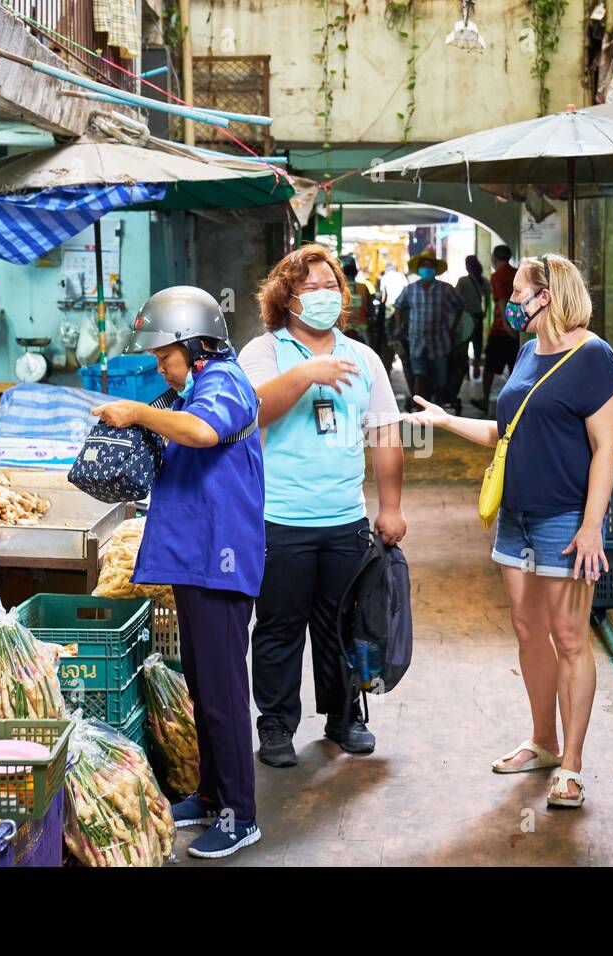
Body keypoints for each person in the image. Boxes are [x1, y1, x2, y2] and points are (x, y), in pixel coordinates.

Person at [408, 253, 613, 809]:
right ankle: (544, 742)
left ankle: (572, 765)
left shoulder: (594, 357)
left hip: (565, 519)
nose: (510, 302)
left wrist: (592, 527)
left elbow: (607, 450)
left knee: (571, 638)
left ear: (546, 296)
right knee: (530, 634)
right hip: (515, 517)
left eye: (519, 293)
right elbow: (504, 432)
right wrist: (444, 420)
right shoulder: (530, 352)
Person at [91, 286, 265, 860]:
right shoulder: (194, 386)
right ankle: (213, 794)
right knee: (201, 683)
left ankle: (241, 814)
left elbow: (204, 432)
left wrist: (139, 413)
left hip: (221, 560)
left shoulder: (225, 382)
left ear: (194, 344)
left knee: (223, 691)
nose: (160, 367)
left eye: (165, 356)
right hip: (196, 559)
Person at [240, 244, 407, 768]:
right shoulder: (263, 352)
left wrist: (391, 507)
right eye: (309, 287)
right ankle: (275, 725)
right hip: (280, 519)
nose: (323, 295)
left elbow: (384, 432)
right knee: (278, 626)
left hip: (345, 520)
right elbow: (253, 412)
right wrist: (306, 374)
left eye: (330, 285)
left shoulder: (364, 357)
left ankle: (344, 718)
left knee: (343, 625)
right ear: (286, 298)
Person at [392, 247, 461, 412]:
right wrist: (399, 326)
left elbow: (459, 307)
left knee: (440, 381)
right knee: (419, 376)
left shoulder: (446, 289)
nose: (427, 269)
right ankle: (420, 411)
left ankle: (437, 410)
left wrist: (453, 328)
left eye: (430, 266)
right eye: (424, 266)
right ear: (419, 269)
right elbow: (398, 306)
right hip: (417, 341)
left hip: (440, 341)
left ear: (435, 270)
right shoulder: (410, 289)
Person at [474, 244, 519, 414]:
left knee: (490, 368)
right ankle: (518, 403)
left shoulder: (496, 276)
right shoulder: (517, 273)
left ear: (494, 258)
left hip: (501, 329)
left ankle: (485, 401)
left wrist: (507, 325)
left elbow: (501, 300)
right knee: (516, 368)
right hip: (518, 327)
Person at [454, 255, 489, 383]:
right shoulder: (484, 280)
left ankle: (466, 371)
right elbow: (487, 298)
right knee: (477, 343)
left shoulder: (462, 281)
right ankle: (476, 366)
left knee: (464, 342)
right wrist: (484, 312)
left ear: (467, 266)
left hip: (466, 316)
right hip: (478, 315)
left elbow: (456, 298)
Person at [339, 255, 372, 347]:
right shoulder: (363, 287)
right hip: (361, 329)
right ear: (355, 272)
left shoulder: (337, 289)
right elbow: (370, 311)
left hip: (341, 329)